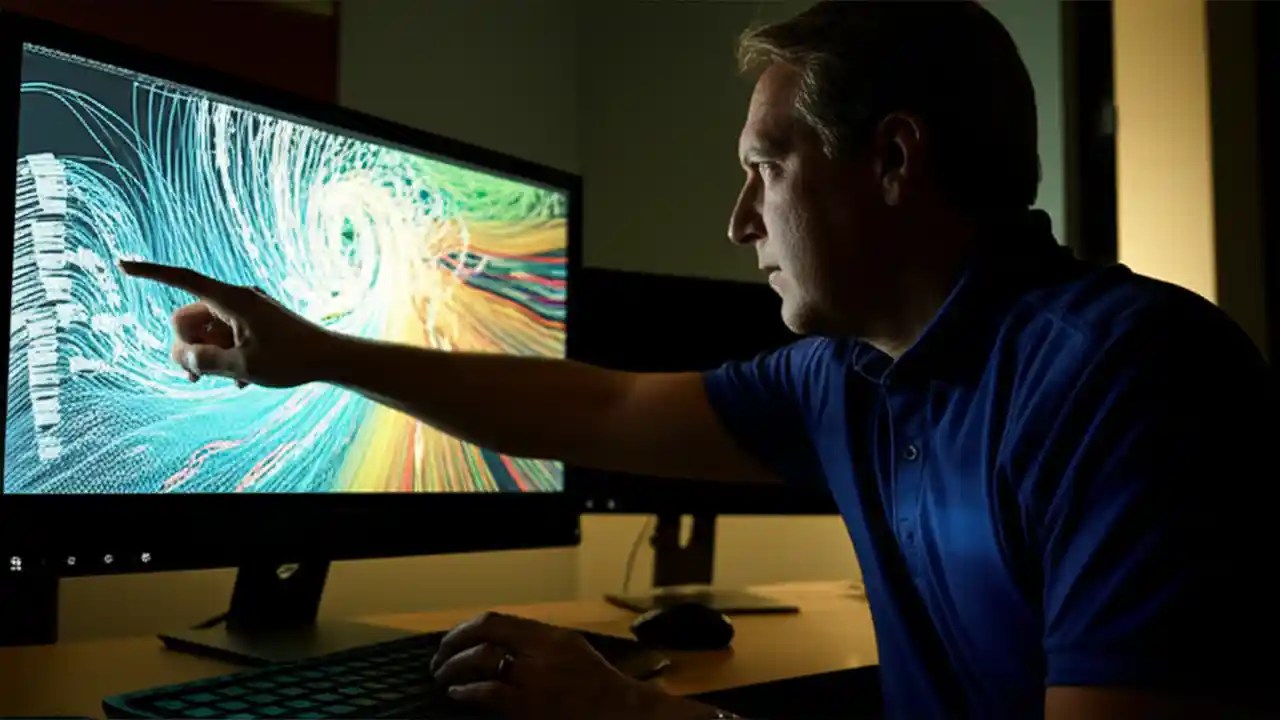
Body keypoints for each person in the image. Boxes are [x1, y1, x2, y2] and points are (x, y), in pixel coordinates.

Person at [119, 1, 1276, 718]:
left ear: (890, 159)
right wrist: (313, 352)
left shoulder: (1125, 383)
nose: (737, 222)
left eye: (763, 170)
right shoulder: (858, 378)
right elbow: (603, 404)